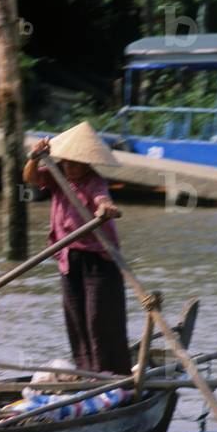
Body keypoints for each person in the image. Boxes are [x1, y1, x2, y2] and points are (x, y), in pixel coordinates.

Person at [22, 121, 132, 376]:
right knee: (76, 317)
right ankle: (86, 371)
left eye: (75, 163)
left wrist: (105, 209)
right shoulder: (56, 173)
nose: (70, 168)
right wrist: (34, 157)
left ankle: (110, 374)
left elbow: (102, 199)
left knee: (99, 317)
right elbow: (30, 177)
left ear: (86, 162)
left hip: (98, 259)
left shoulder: (95, 181)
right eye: (67, 162)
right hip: (67, 257)